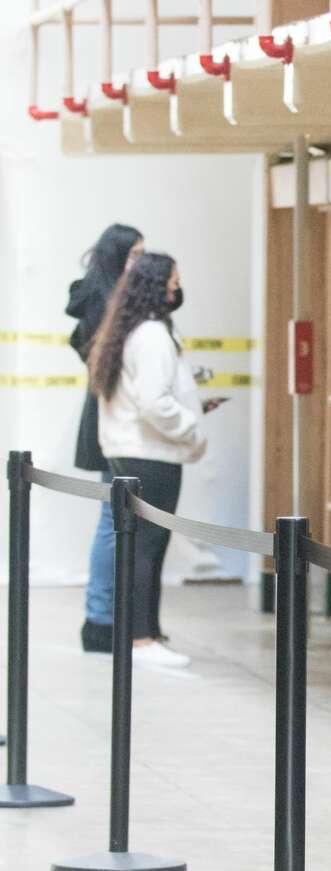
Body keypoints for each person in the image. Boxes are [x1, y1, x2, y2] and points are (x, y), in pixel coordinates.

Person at [88, 253, 214, 671]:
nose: (177, 290)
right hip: (151, 456)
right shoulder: (154, 335)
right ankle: (141, 637)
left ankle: (147, 631)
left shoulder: (130, 330)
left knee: (144, 547)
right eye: (172, 282)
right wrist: (191, 428)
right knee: (147, 548)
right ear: (156, 286)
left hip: (132, 453)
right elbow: (155, 402)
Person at [66, 223, 144, 653]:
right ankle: (100, 618)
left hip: (108, 416)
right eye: (134, 254)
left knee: (112, 520)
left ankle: (105, 617)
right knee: (111, 522)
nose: (140, 263)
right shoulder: (103, 302)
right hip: (109, 418)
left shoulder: (103, 297)